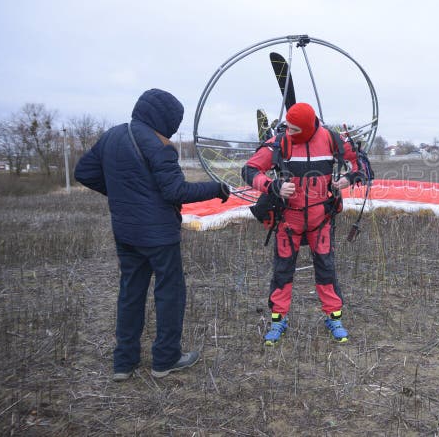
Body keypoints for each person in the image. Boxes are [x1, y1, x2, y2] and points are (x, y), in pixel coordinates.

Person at [75, 88, 229, 381]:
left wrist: (124, 195)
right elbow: (177, 191)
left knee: (130, 293)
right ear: (165, 120)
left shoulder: (112, 136)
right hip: (159, 236)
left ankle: (124, 363)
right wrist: (216, 188)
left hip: (126, 231)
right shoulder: (160, 146)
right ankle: (165, 359)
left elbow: (84, 172)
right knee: (169, 293)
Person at [242, 102, 365, 345]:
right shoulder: (280, 142)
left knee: (326, 269)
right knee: (282, 271)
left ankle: (334, 318)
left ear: (308, 127)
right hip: (289, 221)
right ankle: (278, 321)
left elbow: (362, 165)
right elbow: (249, 170)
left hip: (322, 220)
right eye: (288, 128)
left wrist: (348, 179)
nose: (290, 133)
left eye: (295, 129)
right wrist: (273, 186)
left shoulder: (332, 140)